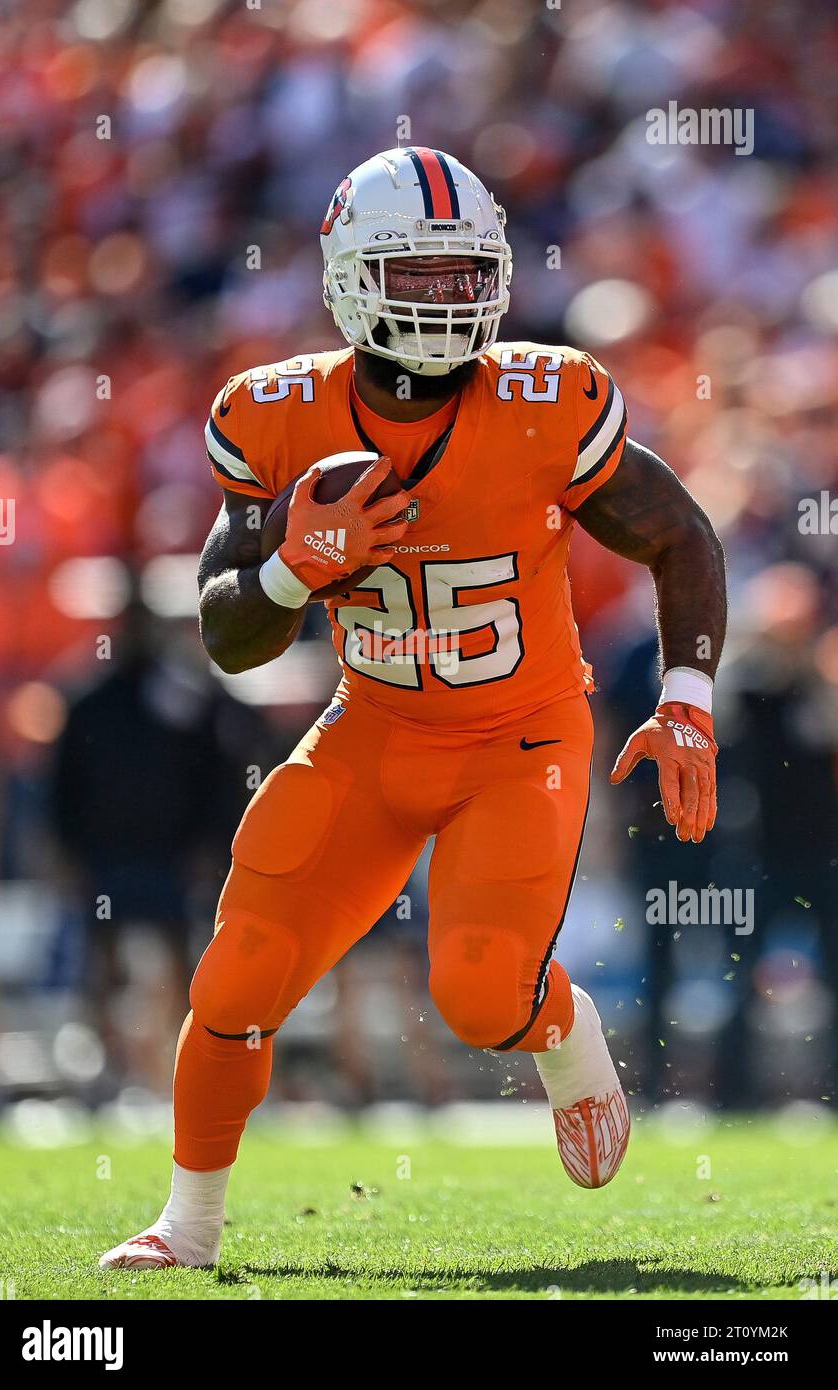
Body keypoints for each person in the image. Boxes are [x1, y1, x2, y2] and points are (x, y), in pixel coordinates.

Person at [101, 147, 725, 1269]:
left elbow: (679, 532)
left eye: (463, 272)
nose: (446, 298)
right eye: (417, 273)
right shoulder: (272, 412)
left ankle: (558, 1024)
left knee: (481, 997)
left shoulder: (547, 399)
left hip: (519, 736)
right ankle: (186, 1229)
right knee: (236, 972)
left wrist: (685, 697)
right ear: (348, 274)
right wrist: (291, 569)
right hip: (371, 730)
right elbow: (227, 633)